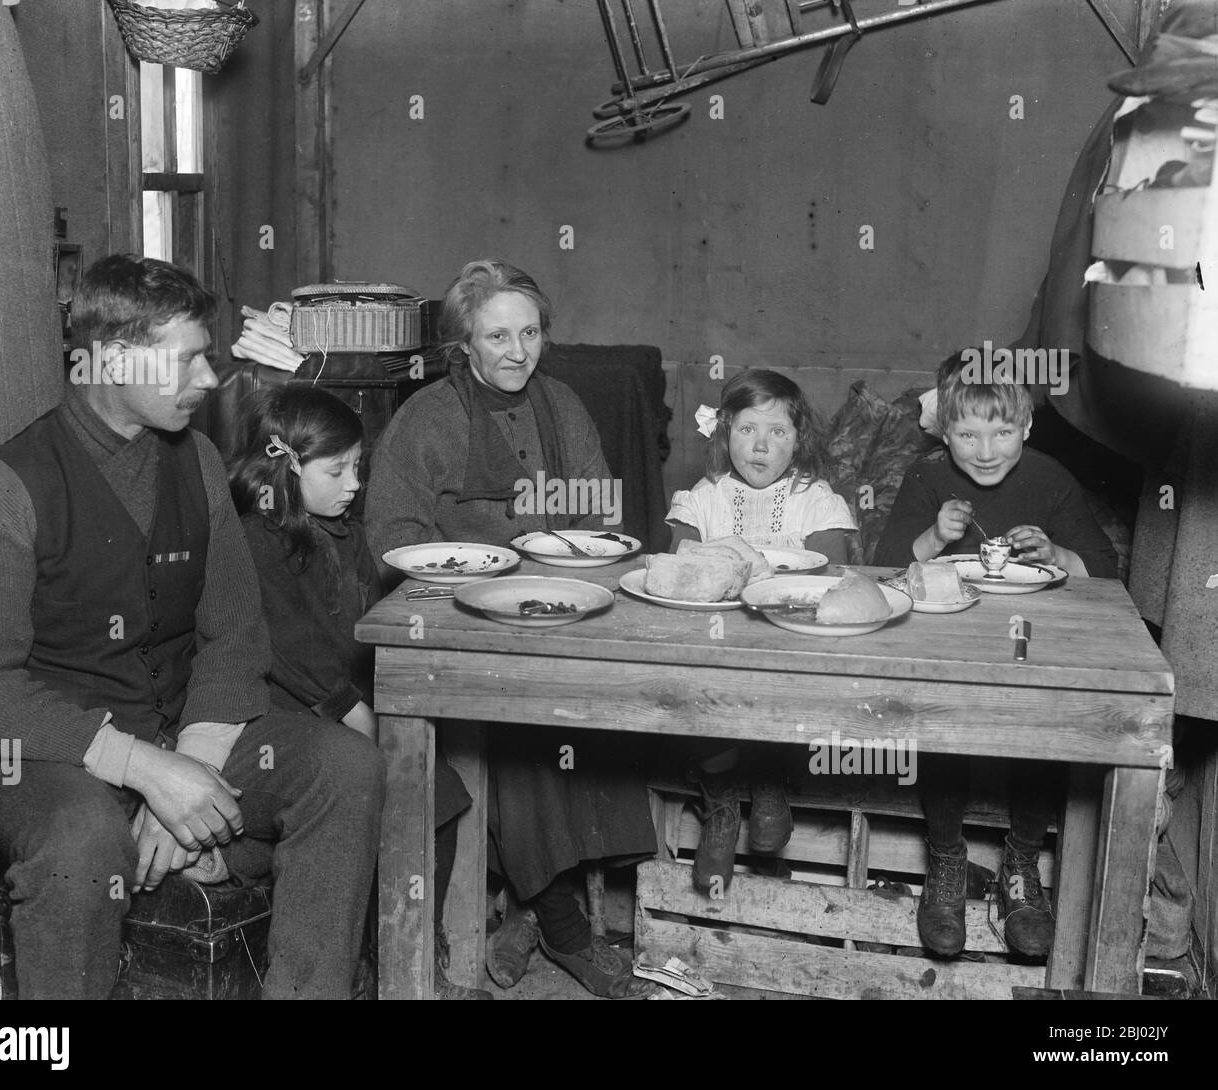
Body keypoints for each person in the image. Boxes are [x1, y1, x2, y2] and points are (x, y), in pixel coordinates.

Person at [0, 255, 384, 999]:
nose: (210, 380)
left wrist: (195, 764)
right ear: (111, 360)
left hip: (187, 737)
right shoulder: (3, 486)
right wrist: (146, 771)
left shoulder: (200, 460)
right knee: (81, 843)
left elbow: (236, 634)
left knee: (347, 767)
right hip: (50, 759)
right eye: (187, 361)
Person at [364, 259, 658, 998]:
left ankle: (526, 904)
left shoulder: (562, 405)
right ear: (465, 342)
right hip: (457, 627)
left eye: (530, 332)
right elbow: (392, 536)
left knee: (598, 720)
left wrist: (577, 565)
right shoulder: (426, 418)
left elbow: (598, 518)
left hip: (558, 611)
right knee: (523, 730)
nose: (516, 351)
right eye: (497, 335)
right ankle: (562, 926)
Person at [228, 385, 489, 1000]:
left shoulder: (340, 529)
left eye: (358, 466)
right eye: (337, 469)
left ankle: (412, 958)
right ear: (286, 466)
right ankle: (386, 970)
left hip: (345, 700)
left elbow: (365, 618)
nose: (353, 483)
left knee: (441, 796)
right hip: (289, 716)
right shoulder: (254, 538)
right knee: (398, 785)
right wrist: (371, 725)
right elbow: (296, 654)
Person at [873, 352, 1118, 958]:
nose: (986, 451)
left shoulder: (1050, 478)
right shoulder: (927, 476)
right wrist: (935, 536)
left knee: (1042, 719)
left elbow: (1107, 574)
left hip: (1032, 642)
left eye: (1002, 432)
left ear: (1026, 428)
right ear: (943, 430)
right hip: (948, 646)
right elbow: (879, 564)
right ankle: (948, 860)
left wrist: (1058, 552)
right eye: (968, 434)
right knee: (941, 718)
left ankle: (1021, 864)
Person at [667, 369, 855, 894]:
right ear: (725, 434)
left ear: (799, 442)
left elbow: (834, 575)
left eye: (778, 433)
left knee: (785, 682)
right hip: (715, 639)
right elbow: (679, 562)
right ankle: (722, 804)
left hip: (788, 639)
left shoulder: (813, 499)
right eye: (748, 430)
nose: (761, 446)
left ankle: (773, 777)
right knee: (704, 687)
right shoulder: (704, 498)